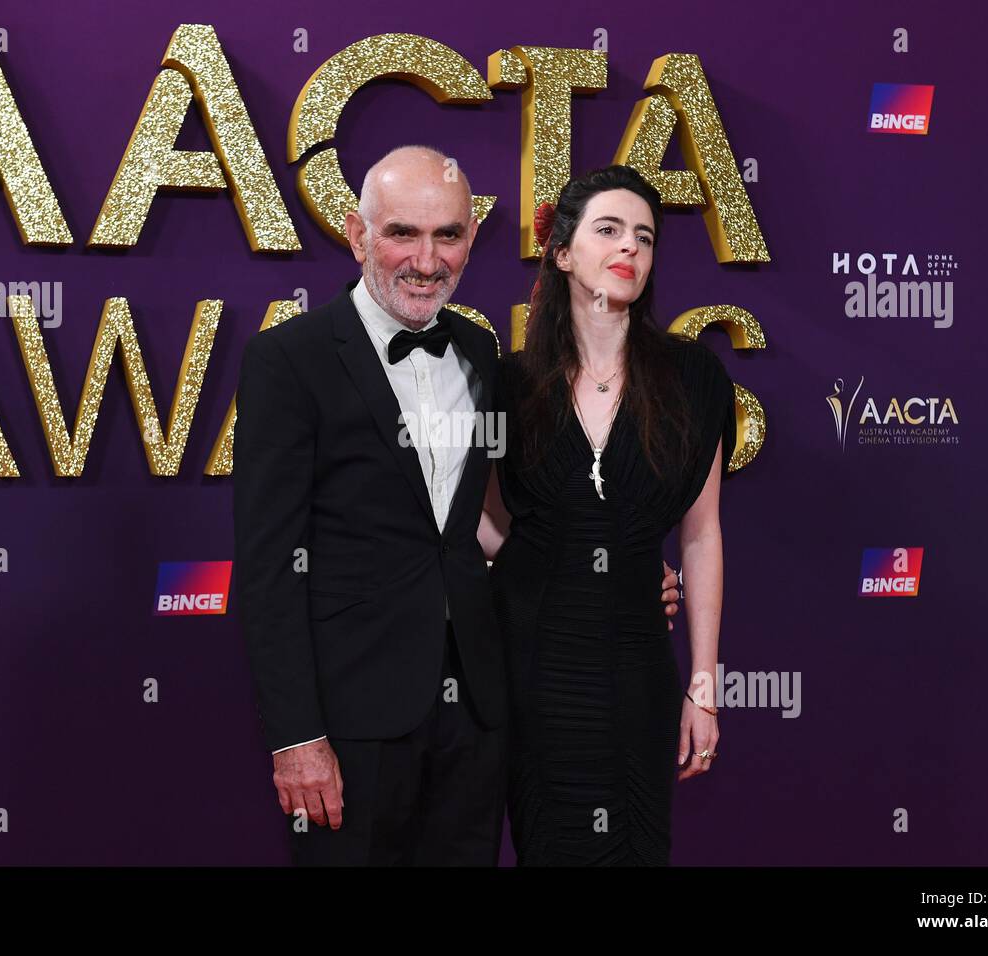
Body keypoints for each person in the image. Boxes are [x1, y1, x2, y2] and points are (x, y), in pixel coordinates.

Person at [233, 146, 683, 866]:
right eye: (402, 233)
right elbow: (265, 568)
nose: (426, 259)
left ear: (471, 240)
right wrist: (296, 737)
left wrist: (613, 571)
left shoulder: (478, 349)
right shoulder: (289, 361)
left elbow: (492, 524)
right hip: (351, 721)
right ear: (356, 235)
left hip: (477, 709)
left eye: (447, 235)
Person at [478, 164, 737, 866]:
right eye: (609, 230)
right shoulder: (509, 382)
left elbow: (702, 532)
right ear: (562, 252)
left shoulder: (693, 378)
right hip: (530, 665)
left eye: (645, 238)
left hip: (636, 665)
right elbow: (490, 529)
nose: (630, 248)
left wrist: (704, 688)